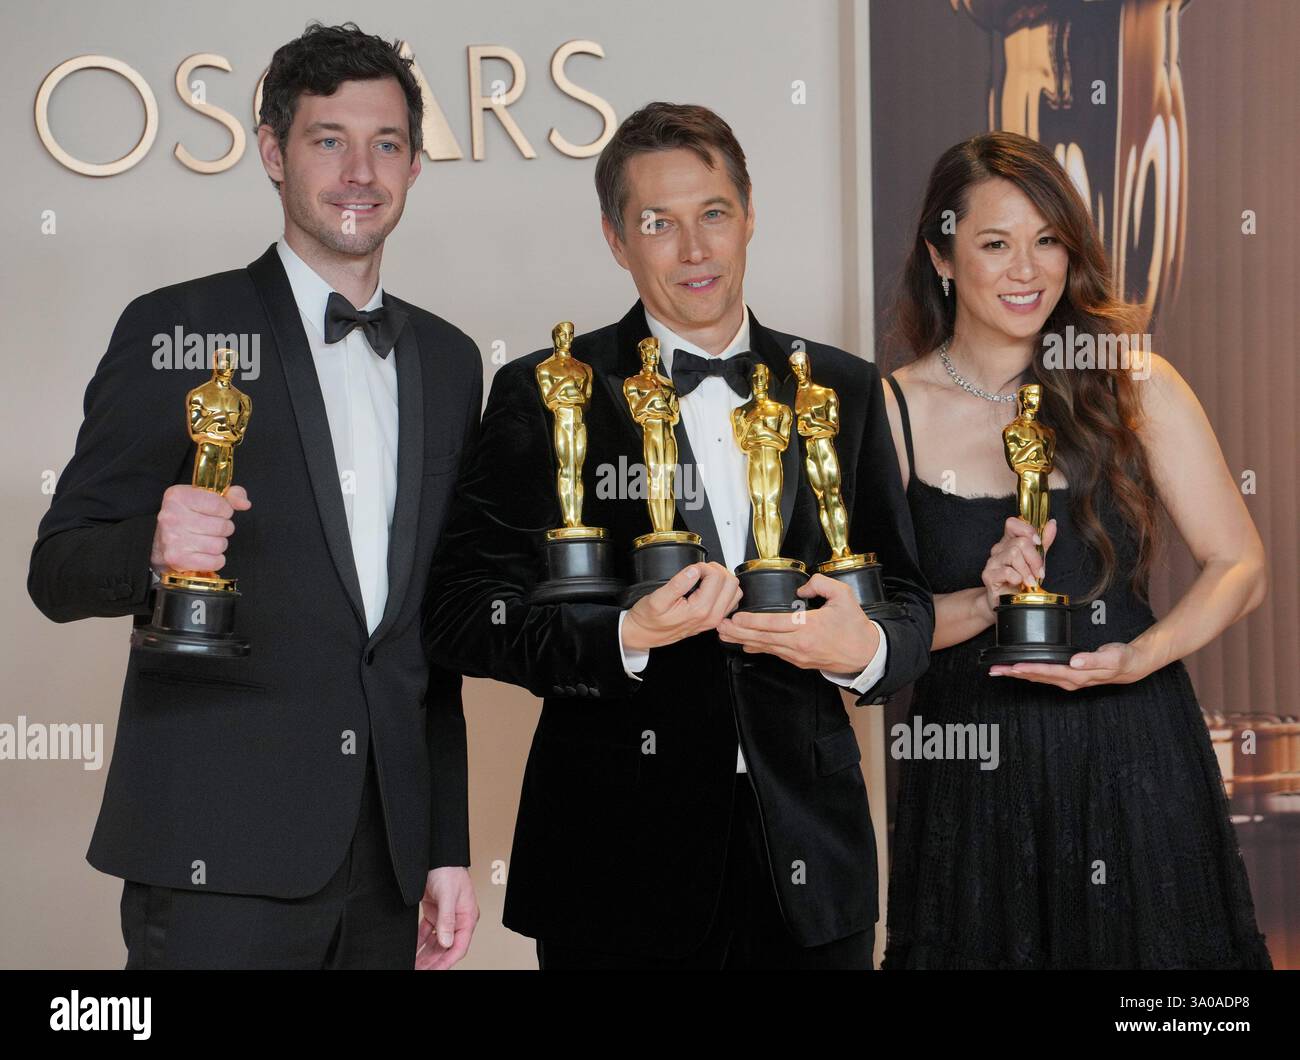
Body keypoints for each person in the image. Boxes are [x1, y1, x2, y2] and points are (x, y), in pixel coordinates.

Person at [424, 102, 933, 969]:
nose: (694, 251)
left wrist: (866, 649)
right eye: (658, 224)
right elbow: (462, 611)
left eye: (713, 215)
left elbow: (909, 599)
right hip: (610, 864)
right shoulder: (547, 391)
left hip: (809, 865)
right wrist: (622, 635)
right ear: (617, 240)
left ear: (748, 219)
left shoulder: (842, 389)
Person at [27, 22, 481, 970]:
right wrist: (150, 549)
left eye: (386, 144)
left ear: (414, 164)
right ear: (274, 154)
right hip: (215, 857)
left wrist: (443, 847)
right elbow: (56, 570)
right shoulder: (175, 327)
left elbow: (423, 637)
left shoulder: (447, 359)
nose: (360, 171)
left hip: (387, 862)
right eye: (329, 141)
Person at [879, 130, 1272, 969]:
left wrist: (1140, 656)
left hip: (1131, 752)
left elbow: (1240, 565)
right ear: (942, 258)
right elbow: (882, 632)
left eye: (1047, 240)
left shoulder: (1133, 384)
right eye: (995, 244)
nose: (1027, 269)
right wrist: (983, 602)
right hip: (970, 771)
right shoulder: (890, 411)